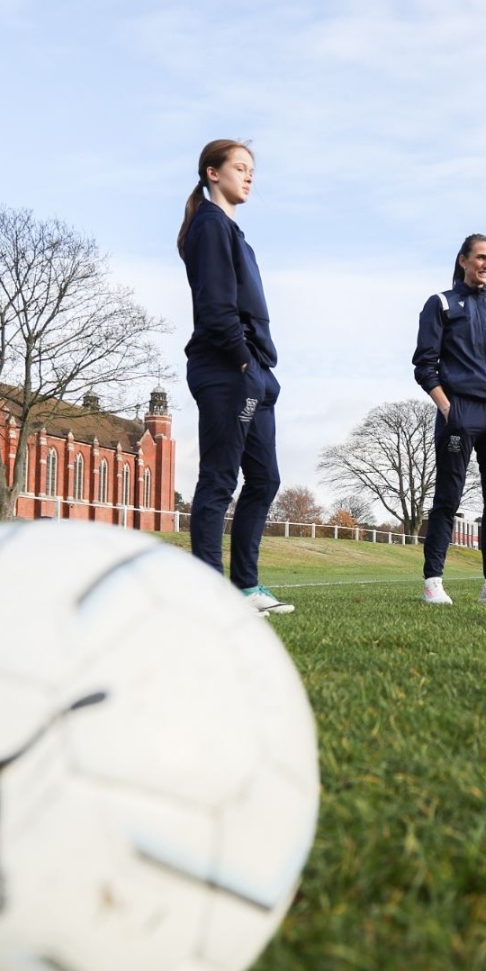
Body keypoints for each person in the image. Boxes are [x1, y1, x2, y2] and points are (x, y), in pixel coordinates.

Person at [177, 139, 292, 615]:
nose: (248, 177)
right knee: (219, 480)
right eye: (239, 168)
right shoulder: (208, 225)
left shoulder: (231, 230)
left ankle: (245, 588)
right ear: (212, 173)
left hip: (254, 371)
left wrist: (260, 367)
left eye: (251, 170)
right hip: (227, 368)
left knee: (265, 479)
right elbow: (217, 304)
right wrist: (244, 360)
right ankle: (209, 593)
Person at [413, 235, 486, 605]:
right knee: (449, 496)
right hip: (460, 411)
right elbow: (424, 366)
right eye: (480, 257)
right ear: (463, 260)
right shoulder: (441, 304)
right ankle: (433, 582)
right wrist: (448, 408)